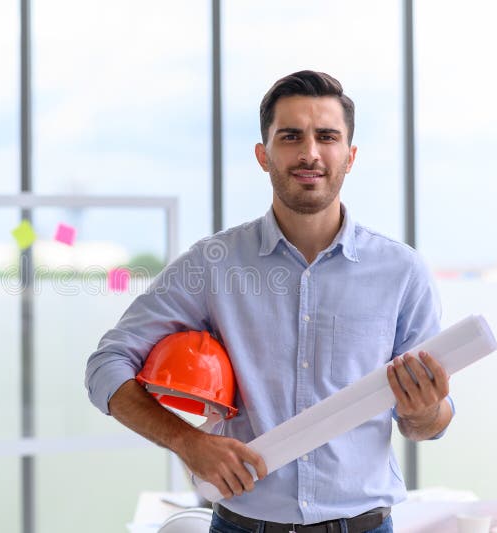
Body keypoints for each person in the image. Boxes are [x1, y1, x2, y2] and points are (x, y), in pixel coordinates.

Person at [85, 70, 453, 533]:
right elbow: (106, 366)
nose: (310, 153)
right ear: (264, 154)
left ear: (350, 155)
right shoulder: (212, 264)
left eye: (327, 136)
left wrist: (424, 411)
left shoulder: (402, 271)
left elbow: (430, 424)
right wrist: (188, 442)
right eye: (291, 136)